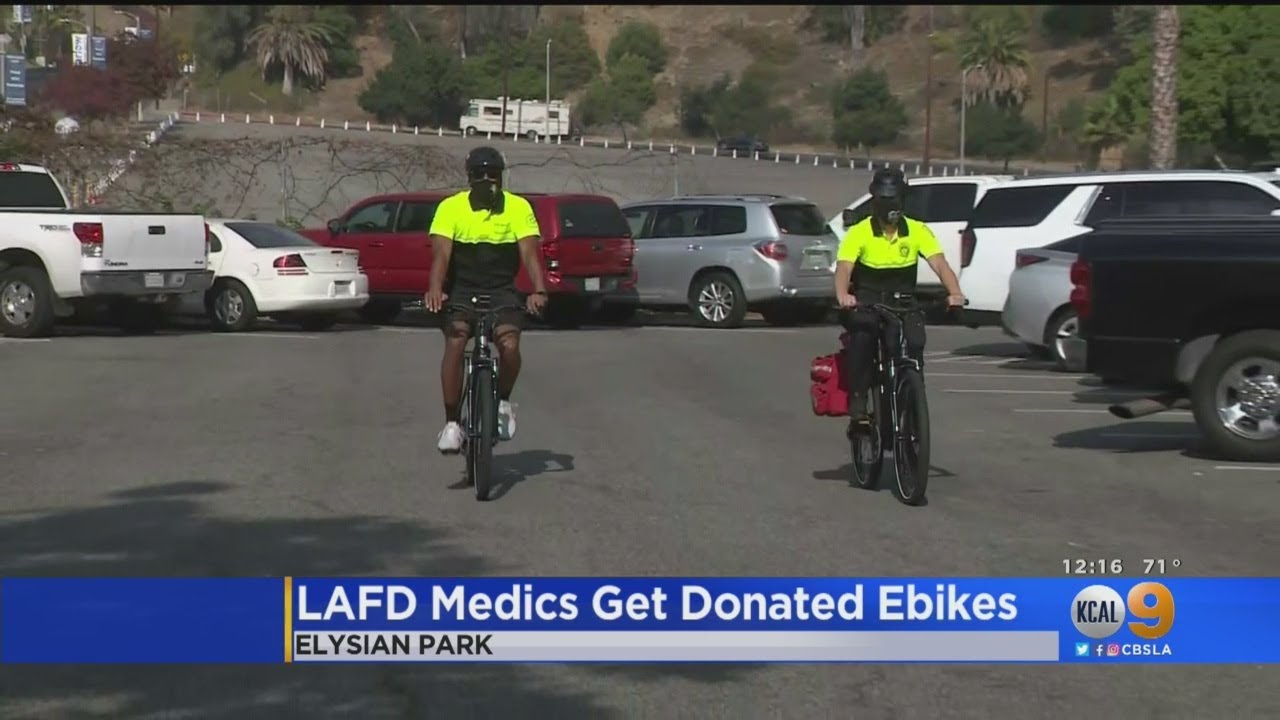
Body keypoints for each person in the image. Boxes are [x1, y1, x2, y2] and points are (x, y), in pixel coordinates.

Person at [425, 146, 549, 454]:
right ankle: (452, 423)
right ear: (469, 178)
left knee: (509, 344)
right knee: (456, 338)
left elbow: (529, 254)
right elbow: (441, 256)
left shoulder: (518, 207)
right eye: (479, 174)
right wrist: (435, 288)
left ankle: (503, 402)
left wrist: (539, 290)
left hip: (501, 288)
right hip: (462, 288)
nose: (486, 180)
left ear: (501, 177)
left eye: (492, 174)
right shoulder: (450, 208)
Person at [833, 168, 966, 432]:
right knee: (863, 337)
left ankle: (912, 401)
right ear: (875, 200)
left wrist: (955, 293)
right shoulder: (860, 232)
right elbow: (844, 268)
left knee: (914, 341)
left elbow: (940, 264)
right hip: (869, 300)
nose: (890, 205)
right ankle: (858, 402)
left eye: (894, 198)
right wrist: (843, 295)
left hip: (903, 301)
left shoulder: (917, 230)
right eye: (884, 199)